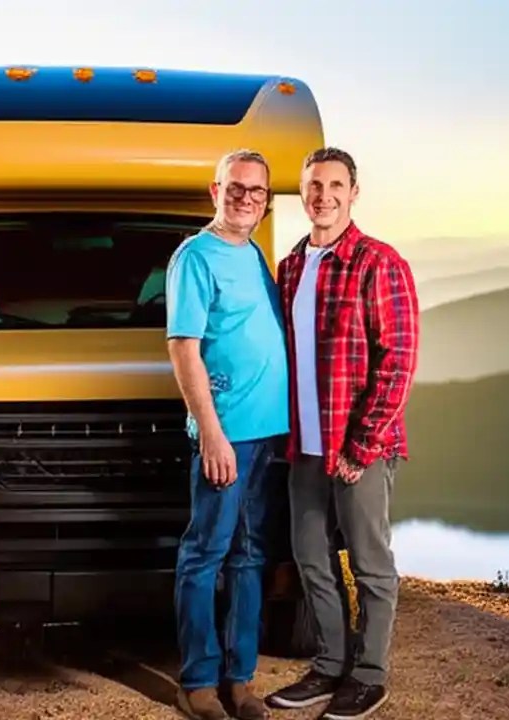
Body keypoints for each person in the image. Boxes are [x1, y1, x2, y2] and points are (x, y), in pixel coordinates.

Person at [265, 147, 419, 720]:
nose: (323, 196)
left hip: (359, 448)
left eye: (335, 185)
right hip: (304, 445)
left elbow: (398, 360)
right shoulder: (291, 267)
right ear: (303, 193)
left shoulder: (379, 262)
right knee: (311, 558)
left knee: (371, 564)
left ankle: (369, 675)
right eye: (314, 185)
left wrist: (363, 444)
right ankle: (330, 665)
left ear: (353, 192)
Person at [166, 148, 289, 720]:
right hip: (228, 435)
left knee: (250, 556)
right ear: (215, 192)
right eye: (234, 188)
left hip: (269, 436)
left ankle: (239, 680)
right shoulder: (195, 256)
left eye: (256, 191)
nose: (245, 198)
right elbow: (183, 347)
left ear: (265, 203)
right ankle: (197, 683)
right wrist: (211, 433)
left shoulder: (254, 254)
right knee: (205, 556)